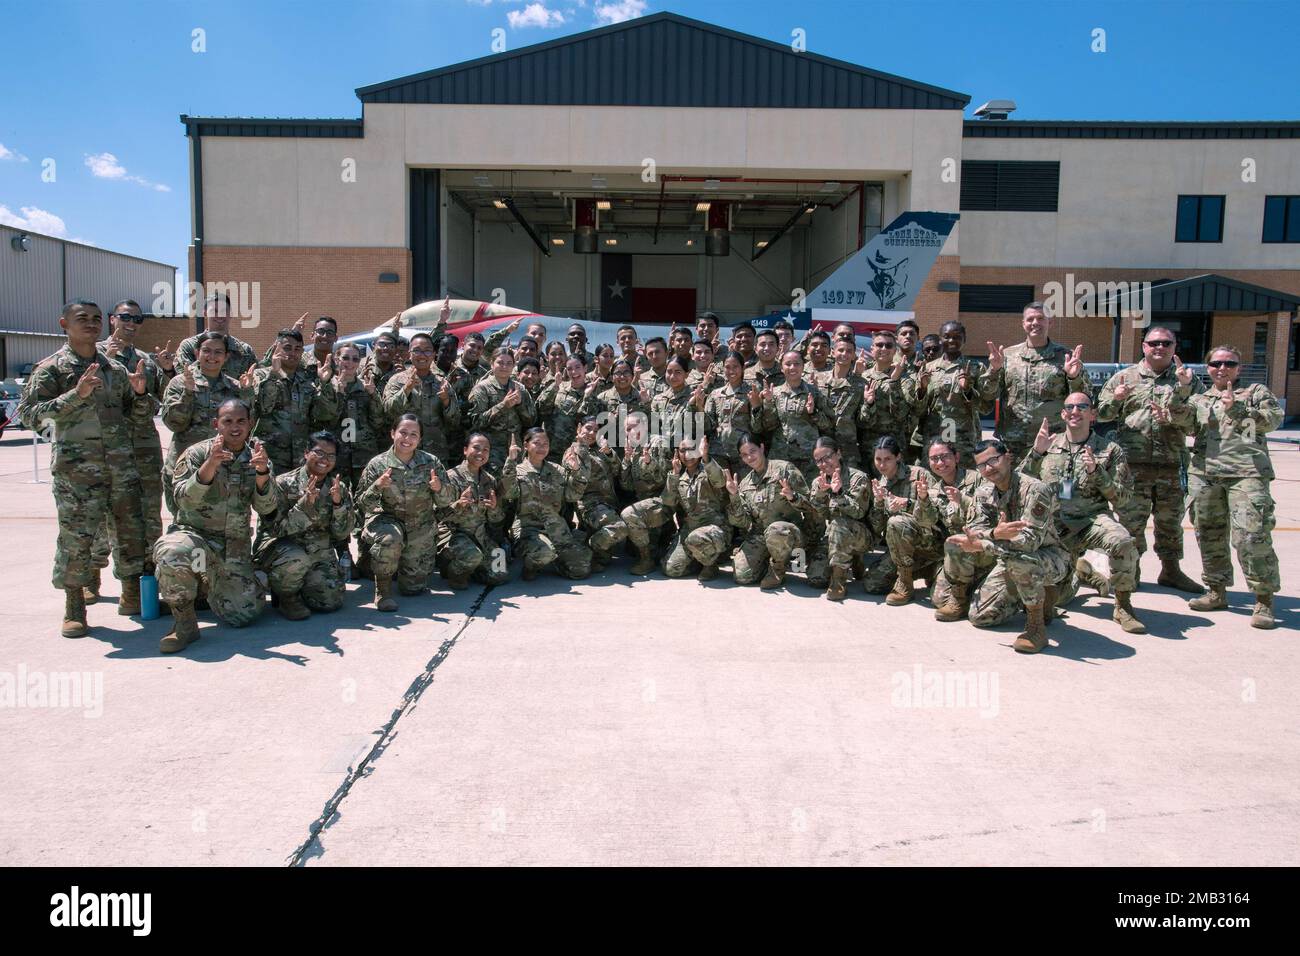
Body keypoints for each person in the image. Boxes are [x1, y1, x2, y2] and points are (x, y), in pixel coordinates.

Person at [18, 300, 154, 635]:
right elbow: (33, 417)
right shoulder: (52, 369)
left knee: (130, 534)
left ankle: (131, 594)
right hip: (78, 471)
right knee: (77, 538)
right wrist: (74, 396)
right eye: (83, 319)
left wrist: (139, 396)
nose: (91, 324)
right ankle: (75, 606)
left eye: (95, 319)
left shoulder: (115, 370)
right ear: (64, 323)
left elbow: (136, 417)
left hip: (120, 467)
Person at [153, 399, 281, 652]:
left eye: (241, 421)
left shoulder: (257, 457)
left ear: (250, 424)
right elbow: (182, 502)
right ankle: (184, 623)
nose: (235, 427)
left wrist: (263, 474)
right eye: (228, 421)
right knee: (172, 552)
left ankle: (213, 585)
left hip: (233, 547)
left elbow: (266, 509)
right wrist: (210, 465)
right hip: (196, 539)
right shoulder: (197, 454)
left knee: (243, 616)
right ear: (216, 424)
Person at [1018, 395, 1147, 634]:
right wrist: (1036, 452)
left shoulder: (1110, 450)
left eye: (1082, 406)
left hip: (1091, 520)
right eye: (1069, 407)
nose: (1075, 410)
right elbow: (1017, 482)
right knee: (1059, 598)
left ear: (1092, 414)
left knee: (1124, 542)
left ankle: (1123, 606)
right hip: (1056, 527)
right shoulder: (1050, 444)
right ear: (1064, 414)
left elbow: (1123, 498)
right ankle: (1080, 572)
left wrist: (1097, 472)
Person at [933, 439, 1071, 654]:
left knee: (1020, 561)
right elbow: (976, 529)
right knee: (980, 615)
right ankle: (963, 596)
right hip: (1007, 556)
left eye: (993, 460)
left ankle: (1036, 625)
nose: (988, 469)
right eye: (981, 465)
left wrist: (987, 542)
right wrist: (994, 535)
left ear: (1008, 457)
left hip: (1046, 557)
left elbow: (1029, 543)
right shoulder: (984, 492)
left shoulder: (1036, 490)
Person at [1096, 326, 1202, 592]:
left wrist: (1177, 410)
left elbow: (1199, 421)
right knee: (1131, 522)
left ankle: (1171, 571)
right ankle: (1131, 570)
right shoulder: (1124, 377)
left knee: (1170, 522)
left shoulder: (1187, 379)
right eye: (1154, 343)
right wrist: (1117, 400)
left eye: (1166, 343)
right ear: (1143, 346)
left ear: (1174, 346)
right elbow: (1102, 414)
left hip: (1171, 464)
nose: (1160, 347)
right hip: (1133, 465)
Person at [1185, 345, 1283, 628]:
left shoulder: (1255, 393)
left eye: (1229, 363)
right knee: (1209, 534)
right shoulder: (1200, 398)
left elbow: (1268, 423)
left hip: (1246, 474)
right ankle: (1216, 591)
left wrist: (1237, 409)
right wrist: (1175, 405)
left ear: (1238, 368)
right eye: (1216, 363)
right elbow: (1188, 426)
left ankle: (1263, 598)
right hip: (1205, 474)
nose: (1222, 368)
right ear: (1208, 367)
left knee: (1251, 537)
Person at [88, 300, 175, 594]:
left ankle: (145, 581)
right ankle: (90, 575)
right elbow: (81, 395)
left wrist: (167, 370)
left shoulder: (146, 360)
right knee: (101, 514)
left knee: (149, 511)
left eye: (137, 319)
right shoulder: (92, 353)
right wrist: (103, 364)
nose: (131, 323)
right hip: (104, 446)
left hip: (142, 446)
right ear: (113, 319)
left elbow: (163, 400)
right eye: (125, 317)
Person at [354, 413, 455, 610]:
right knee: (390, 539)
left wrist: (438, 488)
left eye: (413, 435)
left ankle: (397, 564)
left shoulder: (431, 463)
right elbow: (361, 504)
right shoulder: (378, 464)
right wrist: (377, 486)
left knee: (412, 588)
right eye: (403, 433)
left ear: (420, 439)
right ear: (393, 433)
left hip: (420, 526)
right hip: (387, 521)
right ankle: (382, 591)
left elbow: (447, 501)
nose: (407, 439)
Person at [254, 430, 354, 620]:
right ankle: (286, 596)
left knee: (330, 601)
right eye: (319, 453)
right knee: (296, 558)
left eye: (331, 455)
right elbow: (276, 530)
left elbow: (341, 534)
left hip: (317, 551)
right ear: (307, 452)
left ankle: (299, 585)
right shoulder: (284, 484)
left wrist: (338, 504)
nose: (325, 459)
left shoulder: (337, 487)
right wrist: (305, 506)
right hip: (283, 549)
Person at [160, 331, 255, 517]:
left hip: (223, 470)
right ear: (197, 353)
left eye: (218, 352)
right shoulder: (180, 383)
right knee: (183, 523)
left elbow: (246, 425)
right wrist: (187, 393)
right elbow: (174, 424)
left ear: (226, 356)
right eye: (207, 351)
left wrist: (247, 392)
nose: (212, 357)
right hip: (186, 466)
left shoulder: (235, 387)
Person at [980, 302, 1090, 459]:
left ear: (1050, 322)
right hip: (1013, 443)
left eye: (1041, 318)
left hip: (1053, 441)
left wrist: (1073, 377)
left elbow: (1084, 398)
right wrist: (994, 370)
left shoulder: (1066, 357)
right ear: (1023, 323)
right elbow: (987, 395)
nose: (1035, 323)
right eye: (1030, 319)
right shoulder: (1007, 356)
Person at [725, 432, 817, 590]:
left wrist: (793, 497)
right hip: (761, 535)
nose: (749, 458)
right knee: (742, 576)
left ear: (762, 447)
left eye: (752, 451)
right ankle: (769, 559)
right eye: (744, 455)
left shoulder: (784, 470)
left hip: (788, 533)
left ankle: (778, 568)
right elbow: (742, 522)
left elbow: (811, 507)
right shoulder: (745, 484)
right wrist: (734, 496)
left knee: (776, 530)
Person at [501, 427, 592, 580]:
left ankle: (556, 558)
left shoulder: (557, 470)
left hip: (556, 528)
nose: (542, 448)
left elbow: (572, 495)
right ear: (526, 445)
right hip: (529, 529)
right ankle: (531, 567)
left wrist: (577, 471)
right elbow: (509, 493)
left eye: (546, 444)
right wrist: (510, 461)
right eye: (537, 443)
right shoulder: (517, 471)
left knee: (581, 569)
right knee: (544, 553)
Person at [253, 328, 341, 474]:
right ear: (277, 348)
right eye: (287, 348)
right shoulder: (261, 375)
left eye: (297, 349)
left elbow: (324, 415)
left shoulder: (307, 380)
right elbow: (264, 407)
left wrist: (325, 384)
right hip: (269, 456)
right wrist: (274, 375)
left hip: (300, 458)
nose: (292, 353)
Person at [912, 320, 996, 468]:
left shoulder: (976, 368)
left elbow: (986, 408)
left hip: (964, 440)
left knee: (964, 482)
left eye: (957, 337)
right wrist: (922, 390)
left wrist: (968, 390)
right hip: (934, 436)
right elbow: (918, 410)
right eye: (947, 336)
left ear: (964, 339)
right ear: (940, 339)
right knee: (934, 482)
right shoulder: (928, 368)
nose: (951, 340)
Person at [861, 436, 934, 599]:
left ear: (898, 457)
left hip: (928, 542)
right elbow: (879, 528)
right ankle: (924, 570)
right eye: (878, 459)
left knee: (897, 521)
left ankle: (906, 582)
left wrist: (908, 504)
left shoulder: (919, 475)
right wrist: (879, 503)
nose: (881, 464)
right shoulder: (881, 483)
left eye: (887, 459)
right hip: (901, 548)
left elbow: (937, 512)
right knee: (872, 584)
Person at [437, 432, 512, 589]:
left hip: (479, 535)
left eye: (486, 450)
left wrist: (493, 508)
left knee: (500, 574)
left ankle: (473, 566)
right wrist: (458, 505)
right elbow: (438, 515)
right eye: (476, 448)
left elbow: (496, 519)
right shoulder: (451, 477)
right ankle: (451, 571)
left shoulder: (489, 480)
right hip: (454, 534)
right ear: (465, 450)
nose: (481, 453)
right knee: (472, 557)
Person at [807, 436, 872, 601]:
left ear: (838, 454)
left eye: (828, 457)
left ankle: (839, 580)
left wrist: (838, 493)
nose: (824, 463)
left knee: (838, 523)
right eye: (819, 460)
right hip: (833, 537)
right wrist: (821, 494)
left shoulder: (858, 477)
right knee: (816, 579)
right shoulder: (819, 482)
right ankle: (850, 560)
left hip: (860, 535)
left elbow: (859, 513)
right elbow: (819, 513)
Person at [383, 331, 462, 464]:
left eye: (427, 351)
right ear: (409, 354)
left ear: (434, 354)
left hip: (436, 455)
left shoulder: (442, 383)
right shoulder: (397, 380)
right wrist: (406, 389)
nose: (422, 355)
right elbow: (388, 412)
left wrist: (447, 402)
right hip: (404, 455)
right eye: (417, 350)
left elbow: (455, 422)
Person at [660, 435, 731, 580]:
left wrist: (706, 457)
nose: (687, 455)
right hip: (690, 529)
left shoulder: (709, 468)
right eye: (682, 451)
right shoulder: (678, 476)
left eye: (692, 450)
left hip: (714, 528)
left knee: (696, 538)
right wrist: (674, 474)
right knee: (671, 569)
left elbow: (720, 481)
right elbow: (668, 501)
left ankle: (711, 565)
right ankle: (698, 561)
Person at [760, 350, 831, 480]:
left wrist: (813, 412)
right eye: (788, 364)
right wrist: (769, 402)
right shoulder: (774, 393)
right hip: (781, 454)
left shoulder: (814, 392)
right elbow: (768, 425)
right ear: (781, 368)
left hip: (808, 455)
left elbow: (827, 425)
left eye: (796, 364)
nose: (792, 367)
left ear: (803, 367)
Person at [571, 416, 629, 571]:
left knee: (602, 562)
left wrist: (609, 453)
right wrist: (581, 444)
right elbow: (581, 475)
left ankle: (592, 544)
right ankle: (589, 546)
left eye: (596, 431)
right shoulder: (573, 451)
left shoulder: (599, 449)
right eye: (588, 428)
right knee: (619, 527)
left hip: (608, 503)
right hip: (590, 505)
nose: (591, 433)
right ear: (579, 428)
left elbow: (617, 471)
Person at [619, 412, 673, 573]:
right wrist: (626, 461)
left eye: (635, 426)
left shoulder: (658, 443)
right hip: (644, 502)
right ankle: (662, 538)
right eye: (628, 429)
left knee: (629, 515)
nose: (632, 431)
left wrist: (649, 463)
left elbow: (665, 479)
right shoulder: (632, 448)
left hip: (663, 500)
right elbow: (627, 486)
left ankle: (646, 559)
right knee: (630, 549)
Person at [469, 347, 537, 472]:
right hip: (490, 452)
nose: (504, 367)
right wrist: (503, 406)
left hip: (516, 449)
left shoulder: (519, 388)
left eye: (509, 363)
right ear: (492, 364)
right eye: (500, 362)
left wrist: (520, 404)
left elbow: (531, 421)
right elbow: (475, 422)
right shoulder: (482, 389)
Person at [858, 329, 912, 469]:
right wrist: (868, 403)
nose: (884, 349)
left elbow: (901, 415)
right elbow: (858, 418)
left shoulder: (905, 378)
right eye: (879, 345)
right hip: (867, 447)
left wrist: (894, 381)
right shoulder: (862, 377)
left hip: (893, 448)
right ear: (872, 348)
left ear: (895, 350)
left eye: (888, 346)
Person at [175, 292, 258, 380]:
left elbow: (254, 383)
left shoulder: (245, 351)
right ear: (205, 313)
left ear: (231, 314)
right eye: (214, 311)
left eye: (224, 311)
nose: (219, 315)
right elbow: (183, 379)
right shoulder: (189, 346)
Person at [704, 351, 763, 473]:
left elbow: (758, 428)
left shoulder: (752, 392)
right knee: (719, 487)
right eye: (727, 367)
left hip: (743, 452)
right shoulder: (715, 394)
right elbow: (708, 425)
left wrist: (756, 406)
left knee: (742, 489)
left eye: (735, 366)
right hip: (718, 451)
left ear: (743, 367)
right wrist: (699, 406)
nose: (731, 371)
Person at [537, 353, 598, 463]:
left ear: (585, 368)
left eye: (577, 367)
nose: (574, 372)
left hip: (574, 455)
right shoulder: (560, 386)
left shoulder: (592, 393)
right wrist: (555, 385)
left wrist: (587, 396)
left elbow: (585, 422)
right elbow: (541, 407)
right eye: (569, 369)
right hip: (549, 451)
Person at [822, 338, 867, 467]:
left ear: (854, 355)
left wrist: (869, 404)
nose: (844, 354)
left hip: (848, 446)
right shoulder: (818, 380)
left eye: (849, 351)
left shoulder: (861, 384)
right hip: (822, 443)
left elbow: (864, 419)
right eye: (840, 350)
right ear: (832, 352)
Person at [593, 359, 651, 450]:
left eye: (626, 372)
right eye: (618, 373)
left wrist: (646, 404)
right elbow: (595, 426)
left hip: (638, 450)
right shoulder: (602, 398)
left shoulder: (641, 396)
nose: (622, 376)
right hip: (610, 450)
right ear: (612, 377)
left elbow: (651, 424)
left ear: (632, 376)